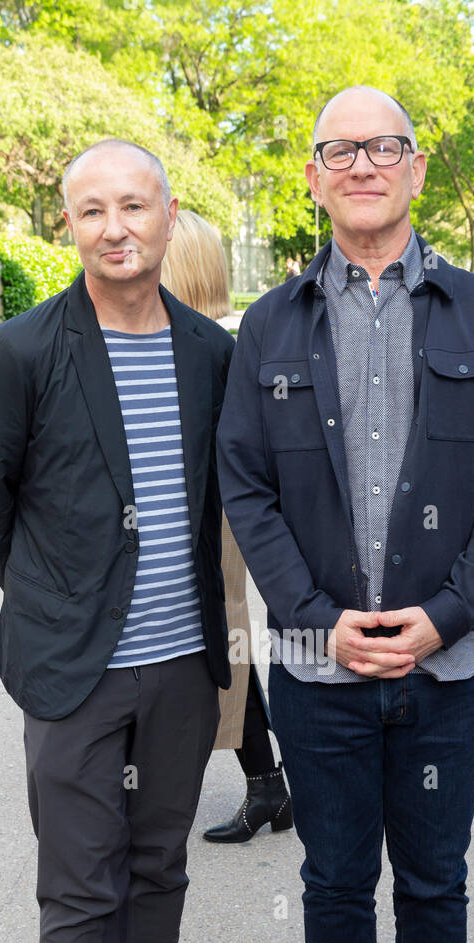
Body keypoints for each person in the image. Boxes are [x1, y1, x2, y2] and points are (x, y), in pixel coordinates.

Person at [218, 87, 474, 943]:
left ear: (413, 170)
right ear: (313, 177)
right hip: (318, 675)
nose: (362, 164)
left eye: (384, 147)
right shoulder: (268, 325)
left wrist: (445, 613)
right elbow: (245, 487)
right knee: (332, 875)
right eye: (338, 149)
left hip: (445, 667)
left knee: (435, 877)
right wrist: (315, 621)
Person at [0, 139, 239, 943]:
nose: (114, 227)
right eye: (90, 210)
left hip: (178, 668)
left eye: (133, 205)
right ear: (66, 227)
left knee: (158, 862)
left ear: (168, 216)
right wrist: (59, 604)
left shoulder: (210, 352)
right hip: (71, 675)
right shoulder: (19, 353)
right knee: (81, 885)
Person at [159, 209, 293, 842]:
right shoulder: (209, 341)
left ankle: (265, 783)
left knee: (218, 648)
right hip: (205, 517)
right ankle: (268, 784)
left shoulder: (209, 349)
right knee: (223, 649)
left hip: (207, 521)